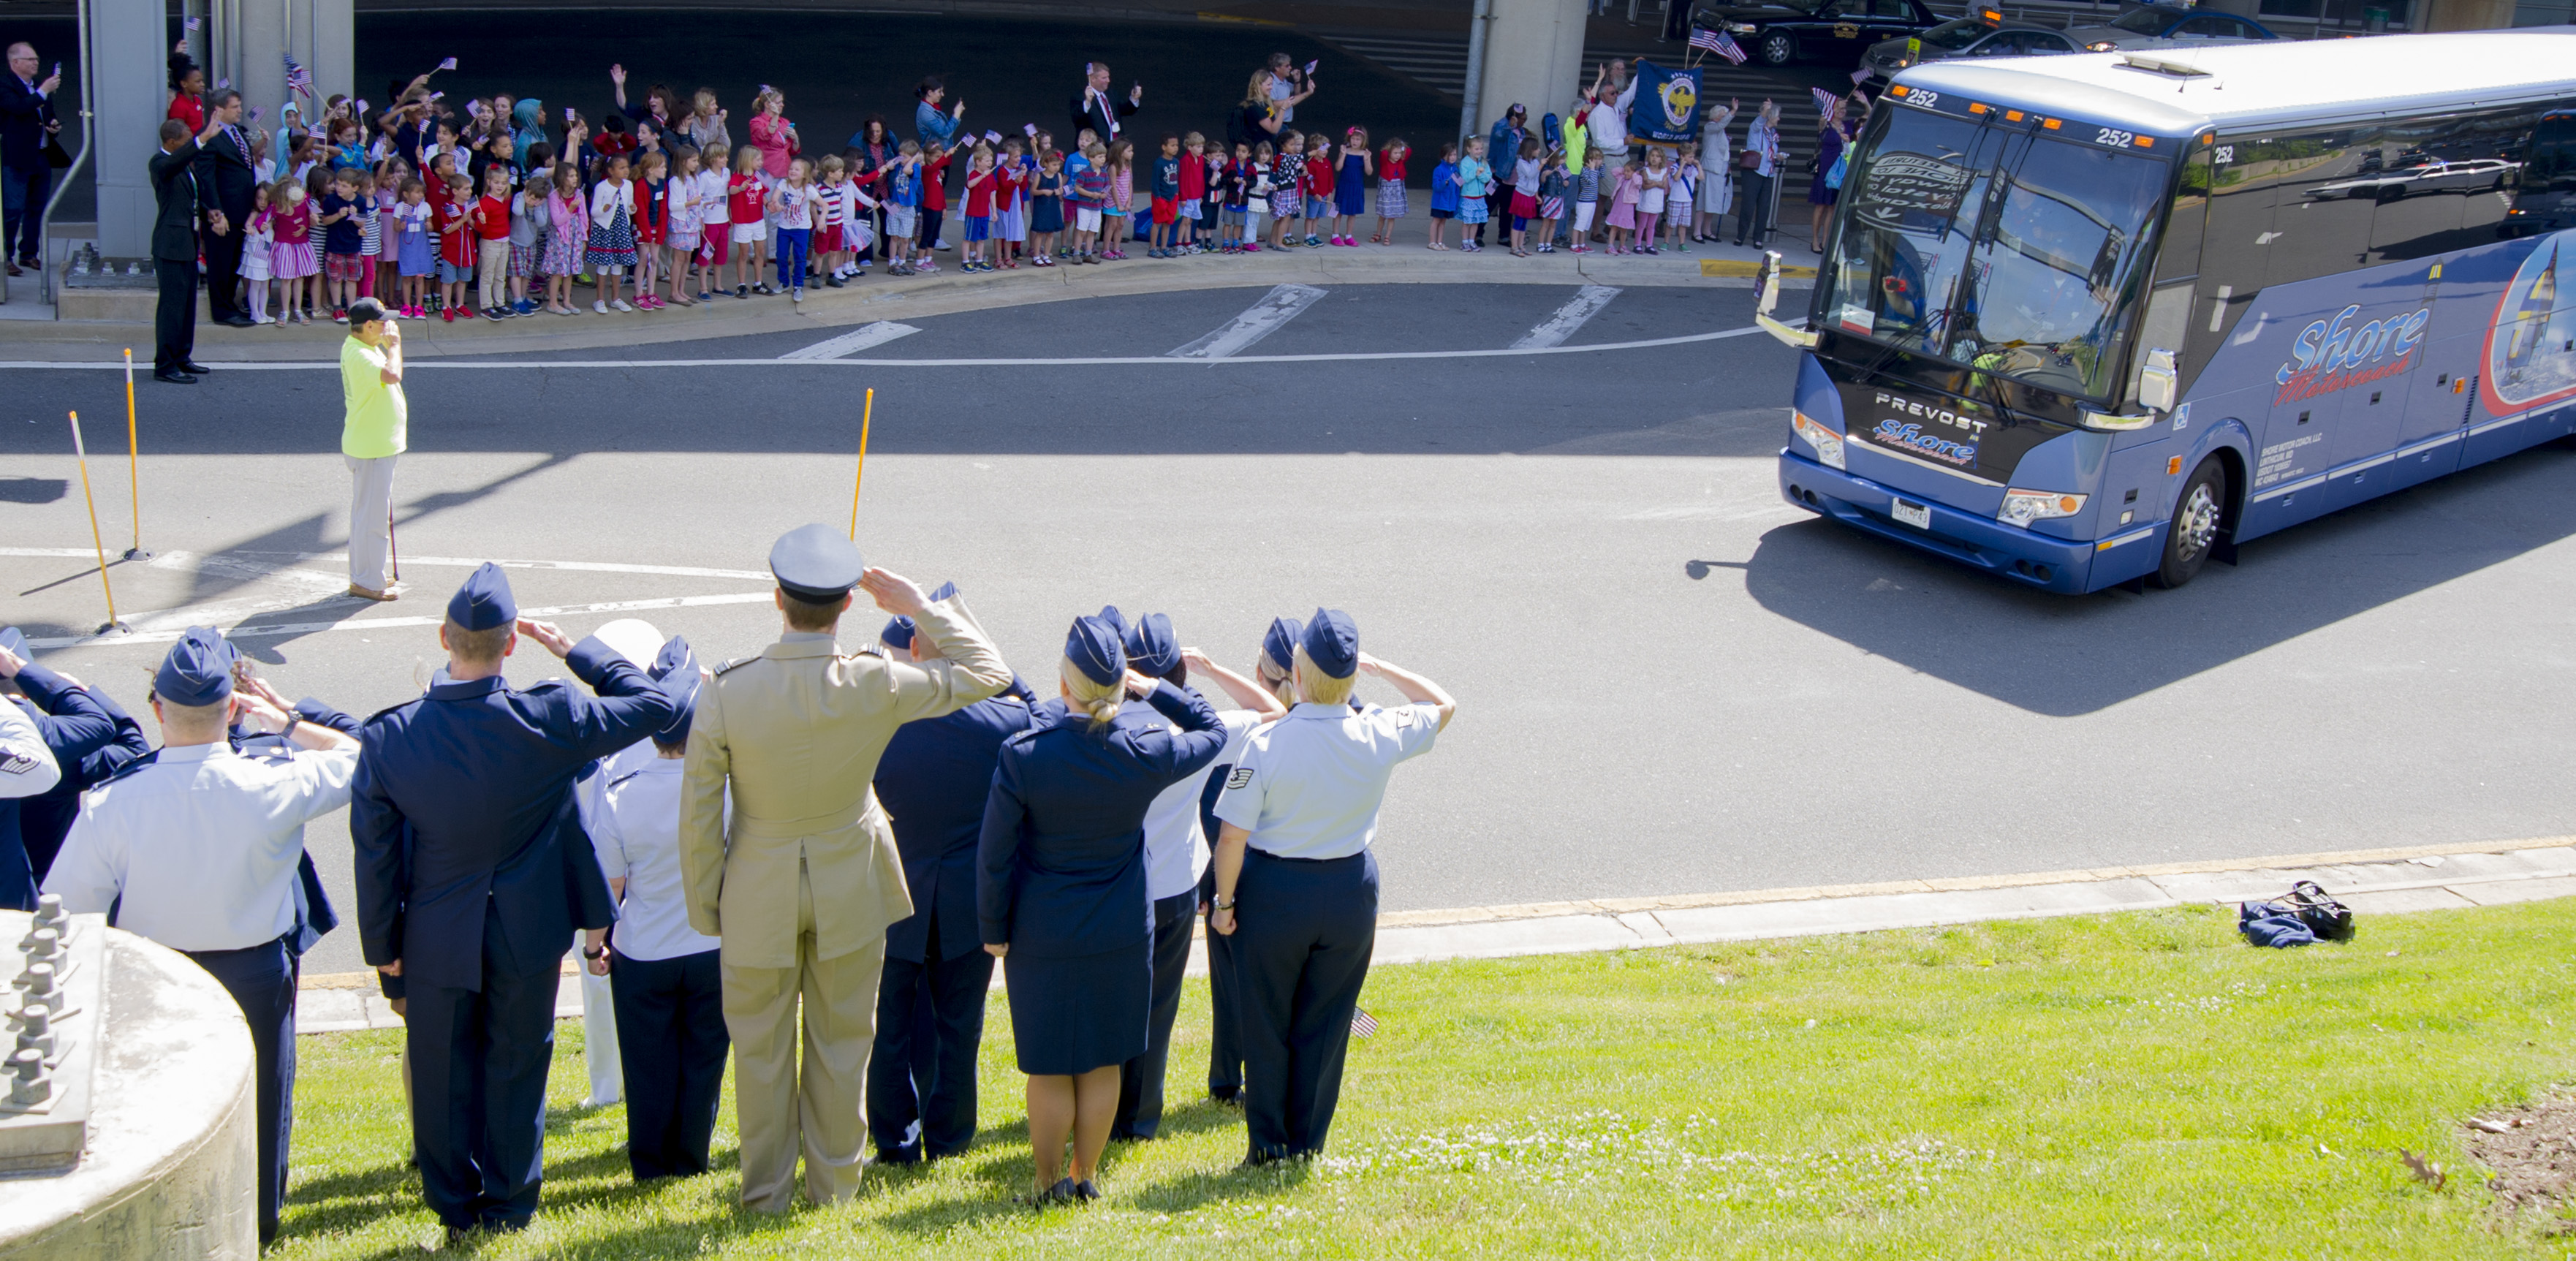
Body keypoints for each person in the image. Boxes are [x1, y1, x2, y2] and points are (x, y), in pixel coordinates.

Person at [678, 526, 1011, 1213]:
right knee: (842, 1044)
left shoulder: (726, 691)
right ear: (847, 606)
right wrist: (920, 605)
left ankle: (766, 1192)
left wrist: (707, 904)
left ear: (778, 599)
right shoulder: (874, 679)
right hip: (849, 880)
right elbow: (989, 673)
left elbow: (700, 818)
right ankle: (833, 1188)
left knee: (761, 1053)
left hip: (758, 886)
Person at [350, 564, 677, 1243]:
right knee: (517, 1067)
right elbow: (655, 704)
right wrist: (577, 651)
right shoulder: (551, 714)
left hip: (438, 935)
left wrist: (386, 953)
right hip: (527, 932)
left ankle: (455, 1206)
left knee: (441, 1071)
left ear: (444, 636)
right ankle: (509, 1203)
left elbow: (377, 860)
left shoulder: (390, 738)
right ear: (511, 645)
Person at [45, 628, 360, 1246]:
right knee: (262, 1105)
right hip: (256, 975)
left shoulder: (113, 804)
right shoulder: (276, 779)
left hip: (158, 980)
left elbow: (66, 910)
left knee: (159, 1109)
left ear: (157, 709)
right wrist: (289, 719)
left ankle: (164, 1224)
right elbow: (359, 756)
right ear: (235, 708)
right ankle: (258, 1226)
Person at [977, 614, 1227, 1203]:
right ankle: (1086, 1173)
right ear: (1121, 686)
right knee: (1101, 1060)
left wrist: (992, 928)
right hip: (1120, 928)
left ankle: (1046, 1180)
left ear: (1064, 684)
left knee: (1049, 1063)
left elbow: (995, 855)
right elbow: (1212, 729)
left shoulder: (1025, 755)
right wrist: (1154, 688)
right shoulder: (1145, 750)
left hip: (1043, 931)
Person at [1209, 610, 1455, 1163]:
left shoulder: (1267, 745)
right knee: (1325, 1024)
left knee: (1267, 1018)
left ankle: (1268, 1144)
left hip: (1275, 891)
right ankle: (1307, 1143)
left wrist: (1225, 904)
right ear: (1351, 678)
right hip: (1349, 890)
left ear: (1295, 673)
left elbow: (1231, 837)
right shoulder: (1379, 731)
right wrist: (1385, 667)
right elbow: (1444, 705)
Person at [865, 583, 1034, 1166]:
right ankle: (951, 1138)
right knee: (960, 1030)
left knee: (887, 1029)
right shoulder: (1003, 723)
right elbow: (1029, 702)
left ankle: (894, 1138)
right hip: (968, 901)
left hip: (893, 894)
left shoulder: (882, 722)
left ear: (914, 651)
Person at [1110, 614, 1282, 1142]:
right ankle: (1138, 1120)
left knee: (1112, 1004)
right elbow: (1272, 710)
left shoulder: (1105, 724)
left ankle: (1097, 1109)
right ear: (1176, 675)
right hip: (1175, 890)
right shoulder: (1196, 732)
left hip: (1114, 886)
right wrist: (1212, 668)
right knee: (1157, 1012)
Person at [583, 627, 729, 1180]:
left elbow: (612, 888)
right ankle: (690, 1157)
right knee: (703, 1059)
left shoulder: (622, 793)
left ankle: (650, 1161)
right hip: (711, 945)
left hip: (643, 952)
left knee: (647, 1064)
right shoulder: (726, 791)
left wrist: (597, 947)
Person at [0, 626, 147, 889]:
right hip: (50, 889)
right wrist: (69, 691)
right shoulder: (54, 745)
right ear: (28, 691)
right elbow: (133, 749)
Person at [337, 298, 406, 603]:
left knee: (367, 514)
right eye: (381, 322)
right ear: (367, 326)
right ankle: (366, 581)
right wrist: (395, 345)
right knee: (373, 518)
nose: (388, 326)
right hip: (371, 447)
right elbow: (392, 374)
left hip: (373, 445)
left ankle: (368, 573)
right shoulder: (363, 355)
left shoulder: (362, 346)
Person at [151, 117, 225, 385]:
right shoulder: (161, 163)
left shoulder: (185, 168)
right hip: (170, 245)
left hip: (188, 243)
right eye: (184, 142)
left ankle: (182, 356)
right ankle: (165, 364)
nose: (188, 148)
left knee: (187, 305)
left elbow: (190, 201)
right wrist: (202, 139)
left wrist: (209, 212)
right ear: (172, 143)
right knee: (171, 307)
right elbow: (173, 164)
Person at [194, 88, 261, 327]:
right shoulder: (209, 137)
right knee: (220, 262)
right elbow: (206, 178)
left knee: (234, 263)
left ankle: (230, 304)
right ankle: (221, 310)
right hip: (223, 213)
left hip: (242, 211)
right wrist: (216, 212)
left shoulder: (237, 133)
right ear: (219, 110)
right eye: (235, 107)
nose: (240, 111)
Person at [1, 42, 61, 278]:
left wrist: (53, 125)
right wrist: (43, 92)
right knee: (13, 209)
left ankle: (28, 253)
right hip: (17, 157)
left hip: (41, 155)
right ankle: (5, 256)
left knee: (36, 207)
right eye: (30, 59)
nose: (35, 62)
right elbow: (18, 108)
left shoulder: (38, 87)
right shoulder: (6, 85)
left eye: (36, 58)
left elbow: (46, 114)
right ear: (16, 63)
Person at [1069, 61, 1141, 154]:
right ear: (1093, 79)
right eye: (1104, 78)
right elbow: (1077, 119)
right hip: (1096, 150)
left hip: (1116, 147)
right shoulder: (1080, 96)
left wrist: (1134, 98)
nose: (1108, 80)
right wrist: (1087, 102)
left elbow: (1125, 110)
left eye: (1108, 77)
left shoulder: (1111, 93)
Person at [1736, 100, 1781, 250]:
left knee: (1764, 207)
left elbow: (1771, 151)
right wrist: (1765, 111)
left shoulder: (1774, 134)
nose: (1779, 119)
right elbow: (1758, 122)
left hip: (1768, 173)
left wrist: (1778, 155)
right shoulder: (1756, 129)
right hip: (1753, 171)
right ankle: (1740, 235)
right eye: (1777, 116)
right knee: (1748, 205)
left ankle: (1758, 238)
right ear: (1770, 117)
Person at [1483, 105, 1526, 248]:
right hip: (1498, 174)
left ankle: (1504, 236)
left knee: (1508, 208)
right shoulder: (1501, 125)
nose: (1524, 122)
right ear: (1514, 117)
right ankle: (1477, 234)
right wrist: (1510, 126)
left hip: (1513, 177)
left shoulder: (1522, 131)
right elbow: (1498, 136)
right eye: (1522, 119)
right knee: (1488, 205)